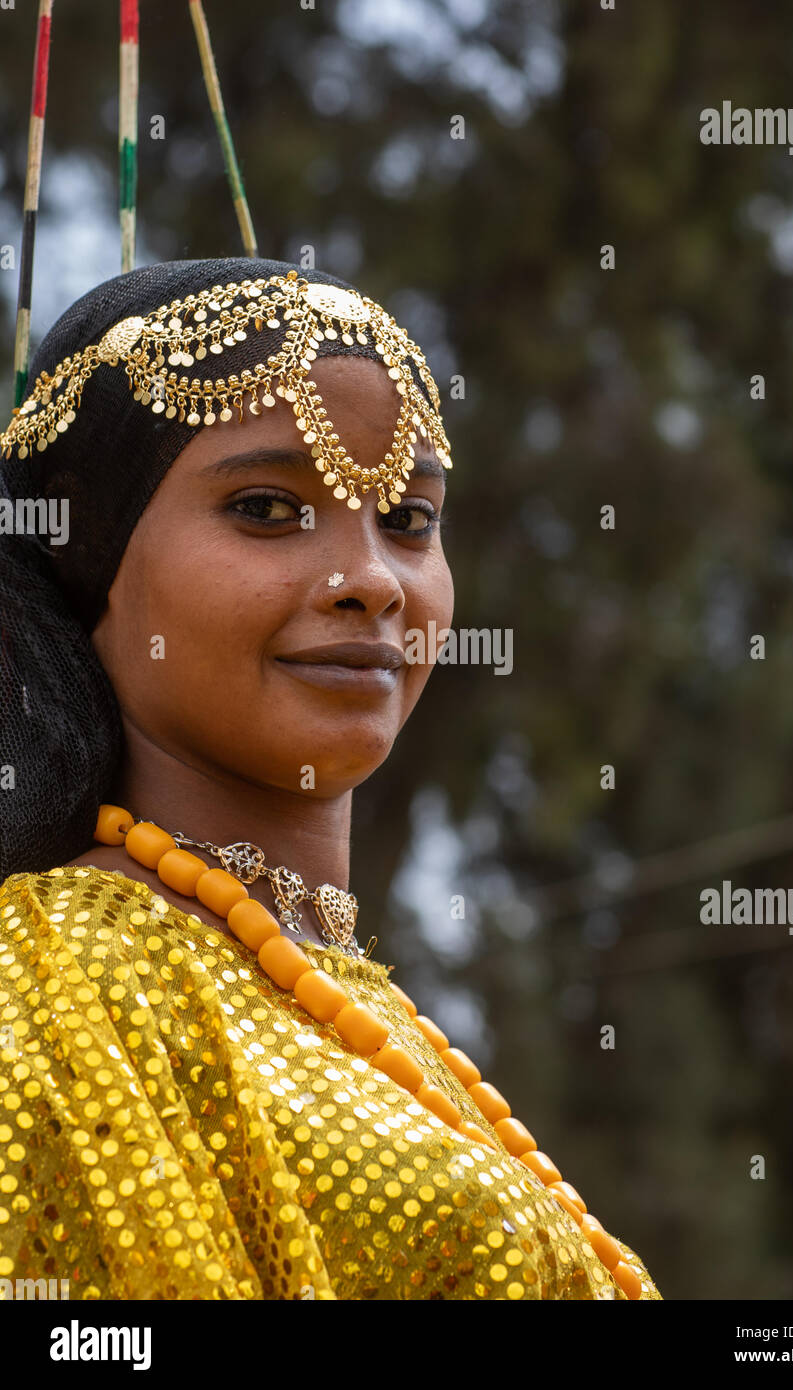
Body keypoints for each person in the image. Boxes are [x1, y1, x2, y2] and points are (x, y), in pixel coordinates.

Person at [0, 257, 661, 1300]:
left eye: (408, 518)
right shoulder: (61, 984)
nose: (373, 583)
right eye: (267, 508)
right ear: (85, 562)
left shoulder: (358, 1001)